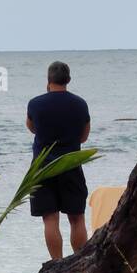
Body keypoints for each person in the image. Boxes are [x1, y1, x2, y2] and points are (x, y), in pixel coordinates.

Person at [27, 60, 92, 260]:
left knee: (50, 219)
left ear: (48, 80)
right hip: (71, 165)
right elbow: (84, 136)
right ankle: (80, 263)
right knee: (77, 218)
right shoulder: (80, 104)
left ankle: (57, 264)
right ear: (68, 80)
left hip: (42, 167)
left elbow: (31, 127)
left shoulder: (35, 104)